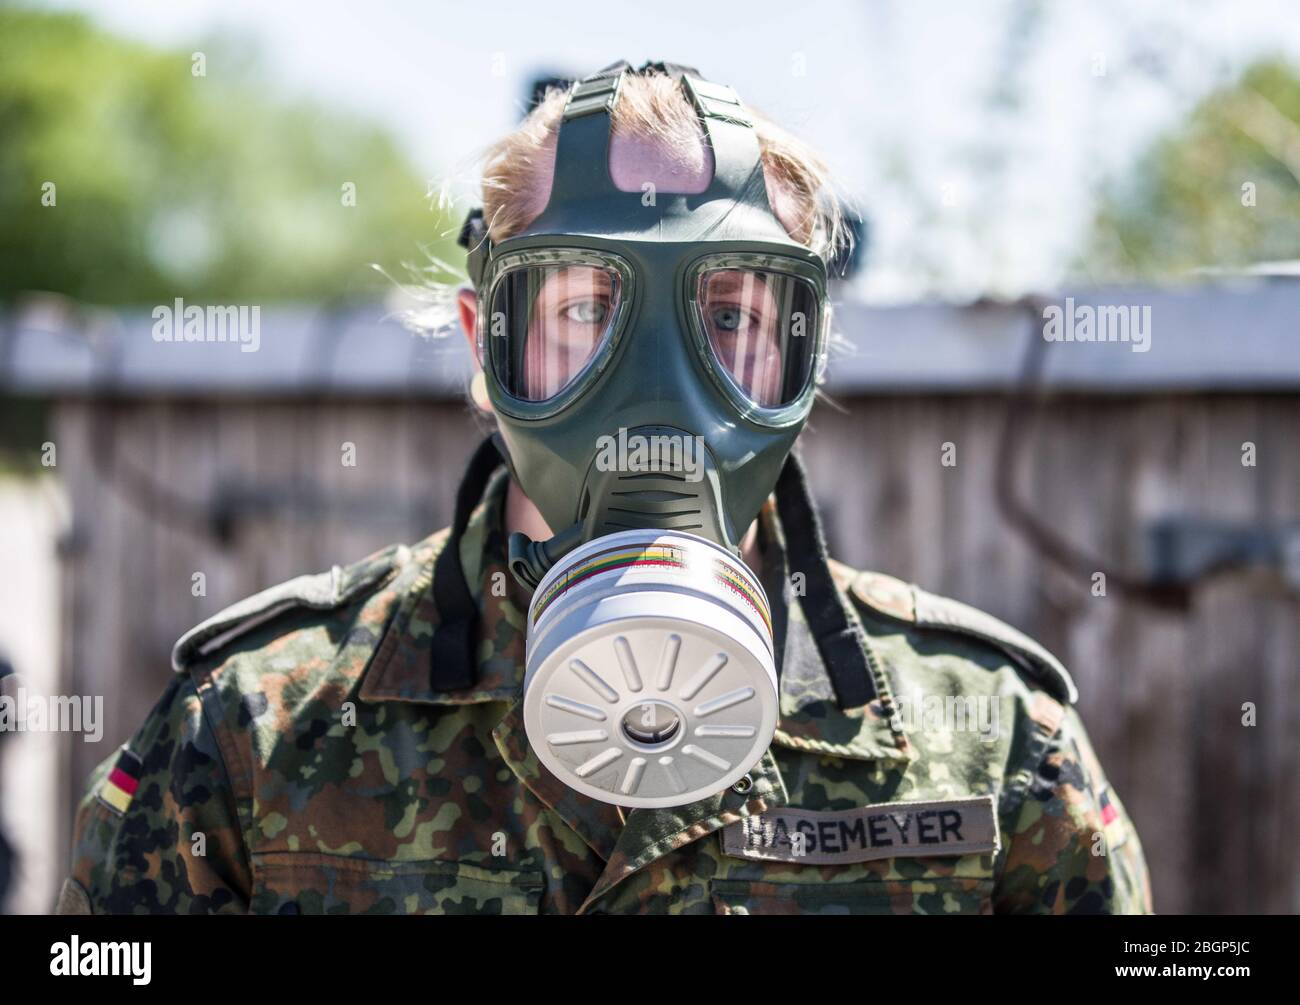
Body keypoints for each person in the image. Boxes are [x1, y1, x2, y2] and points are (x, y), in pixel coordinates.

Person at [57, 60, 1151, 915]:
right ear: (488, 347)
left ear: (801, 363)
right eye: (586, 308)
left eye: (729, 317)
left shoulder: (992, 743)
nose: (657, 399)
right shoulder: (252, 733)